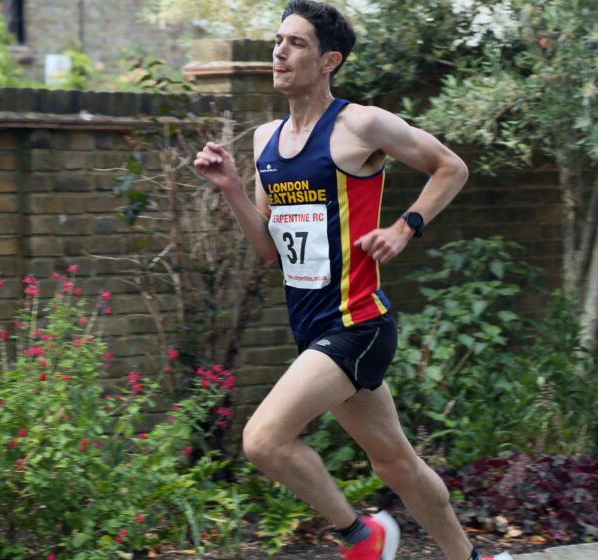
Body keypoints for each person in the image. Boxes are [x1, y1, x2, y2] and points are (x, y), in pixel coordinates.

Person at [193, 2, 512, 560]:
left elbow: (451, 167)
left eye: (296, 43)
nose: (279, 52)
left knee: (263, 440)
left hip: (356, 323)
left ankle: (363, 537)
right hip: (313, 328)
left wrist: (405, 227)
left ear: (329, 61)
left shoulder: (360, 124)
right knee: (395, 463)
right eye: (278, 40)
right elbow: (270, 248)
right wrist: (233, 191)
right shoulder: (265, 140)